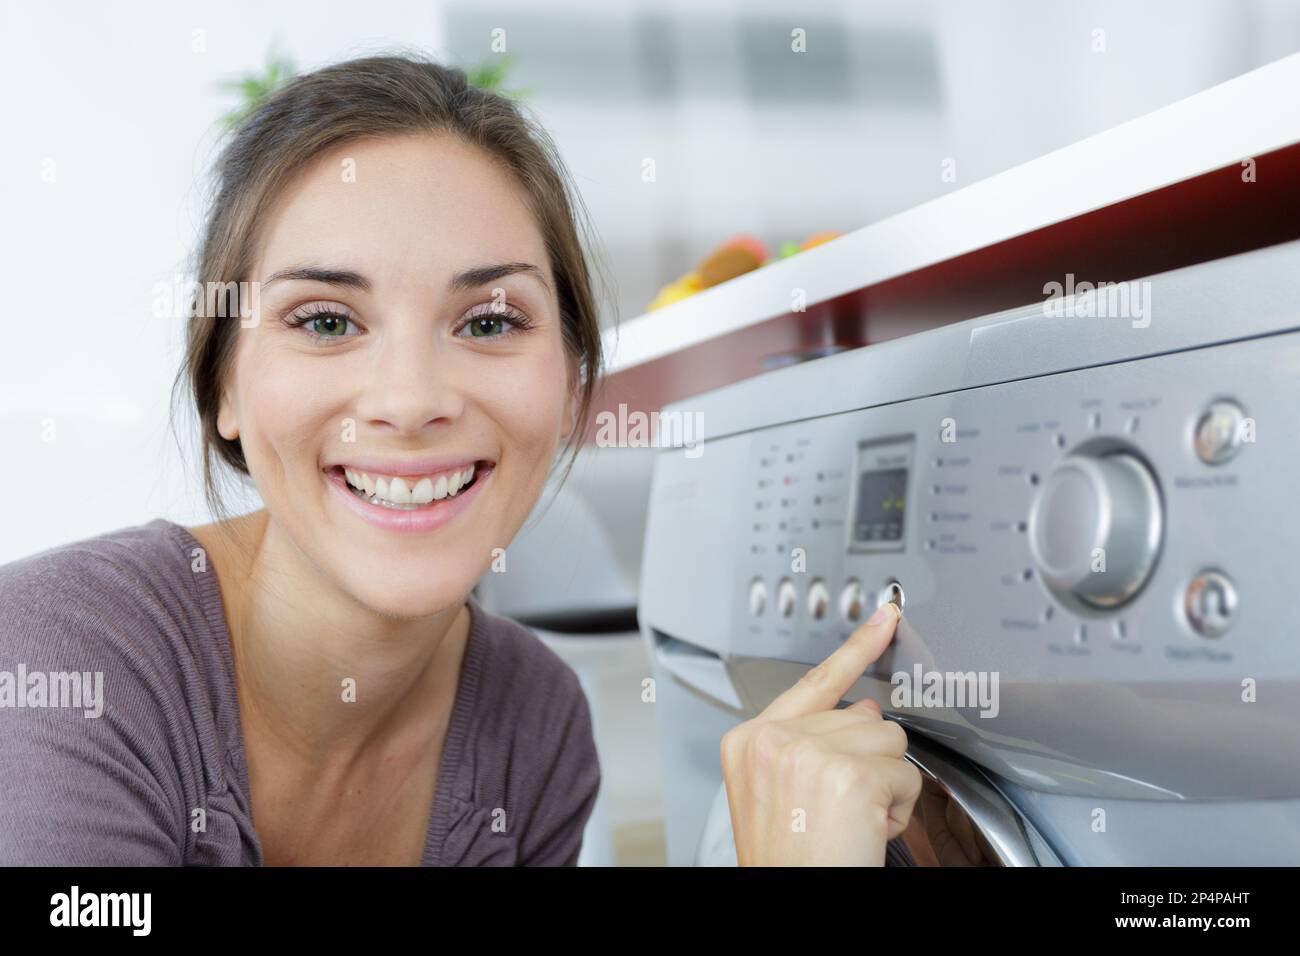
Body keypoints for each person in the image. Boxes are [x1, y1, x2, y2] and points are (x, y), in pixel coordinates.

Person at [0, 52, 935, 867]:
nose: (410, 401)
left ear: (571, 386)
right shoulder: (64, 667)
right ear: (226, 387)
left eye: (489, 321)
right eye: (325, 321)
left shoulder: (538, 727)